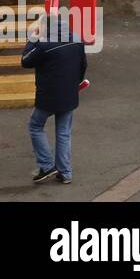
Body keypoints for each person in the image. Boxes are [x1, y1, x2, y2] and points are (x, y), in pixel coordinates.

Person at [21, 15, 87, 185]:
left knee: (35, 126)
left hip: (48, 96)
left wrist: (33, 38)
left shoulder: (43, 46)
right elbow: (82, 66)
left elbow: (25, 61)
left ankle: (47, 165)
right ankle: (65, 173)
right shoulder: (77, 41)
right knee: (64, 132)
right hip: (70, 94)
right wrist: (74, 85)